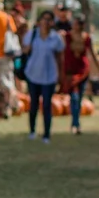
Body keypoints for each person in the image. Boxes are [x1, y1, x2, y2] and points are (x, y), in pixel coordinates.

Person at [21, 10, 65, 144]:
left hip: (49, 76)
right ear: (40, 21)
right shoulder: (32, 34)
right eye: (44, 19)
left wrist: (61, 75)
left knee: (46, 105)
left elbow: (60, 58)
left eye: (49, 19)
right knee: (33, 104)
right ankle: (32, 131)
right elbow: (24, 49)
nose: (46, 22)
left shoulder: (56, 38)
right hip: (33, 74)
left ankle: (46, 134)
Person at [64, 17, 95, 134]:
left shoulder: (87, 38)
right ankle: (75, 123)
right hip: (70, 72)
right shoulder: (67, 36)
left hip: (83, 72)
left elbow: (92, 54)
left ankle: (75, 123)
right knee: (74, 98)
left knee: (79, 98)